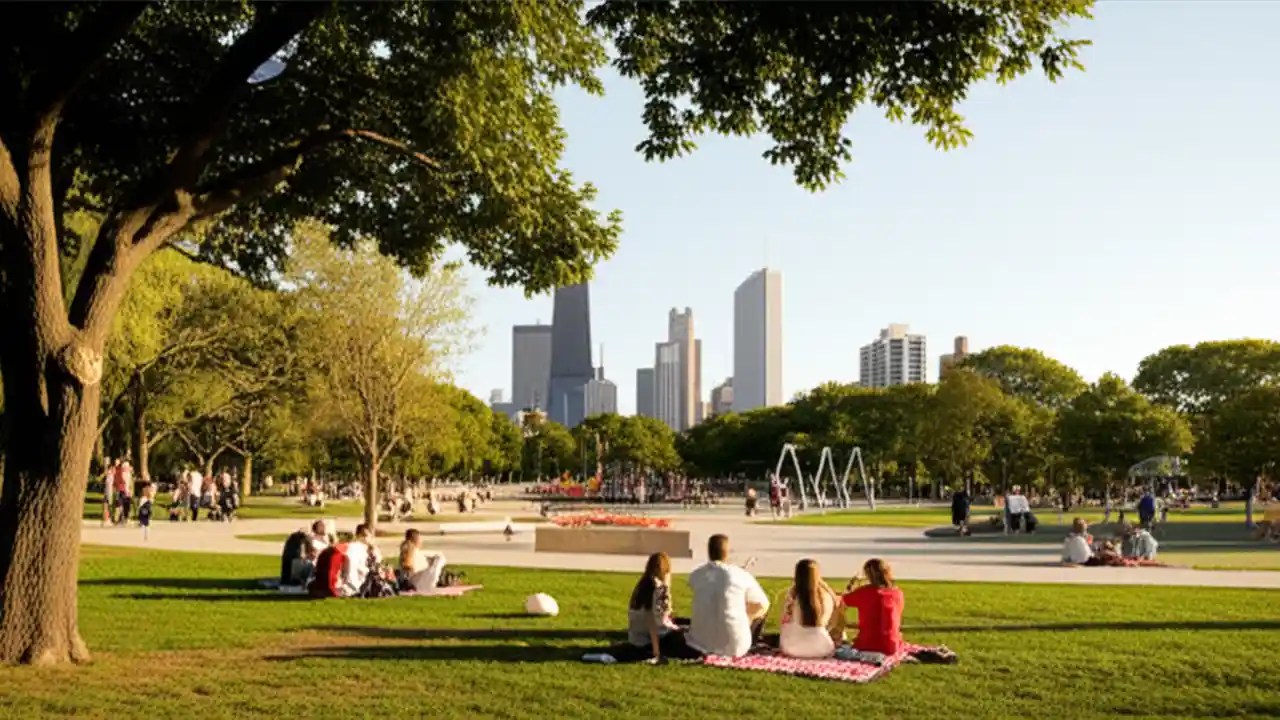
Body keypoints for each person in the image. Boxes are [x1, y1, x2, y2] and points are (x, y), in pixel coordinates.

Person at [687, 534, 770, 658]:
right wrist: (748, 617)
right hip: (735, 647)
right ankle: (749, 639)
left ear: (709, 552)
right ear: (727, 553)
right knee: (760, 608)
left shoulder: (696, 574)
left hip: (699, 643)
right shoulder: (740, 574)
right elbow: (764, 604)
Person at [840, 558, 905, 656]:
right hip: (892, 644)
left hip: (868, 644)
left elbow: (842, 600)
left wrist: (851, 587)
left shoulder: (865, 592)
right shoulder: (898, 594)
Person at [779, 559, 840, 659]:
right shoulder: (826, 596)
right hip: (823, 648)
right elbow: (832, 623)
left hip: (792, 648)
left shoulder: (793, 596)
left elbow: (783, 621)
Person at [398, 529, 448, 593]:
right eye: (420, 539)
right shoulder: (414, 551)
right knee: (440, 558)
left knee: (436, 558)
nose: (421, 541)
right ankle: (434, 583)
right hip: (417, 584)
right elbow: (415, 569)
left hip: (409, 582)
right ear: (416, 540)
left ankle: (436, 580)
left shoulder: (405, 550)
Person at [339, 523, 381, 597]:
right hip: (356, 582)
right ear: (358, 536)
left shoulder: (373, 549)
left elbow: (378, 562)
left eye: (368, 535)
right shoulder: (354, 548)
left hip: (364, 580)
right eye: (363, 535)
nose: (366, 538)